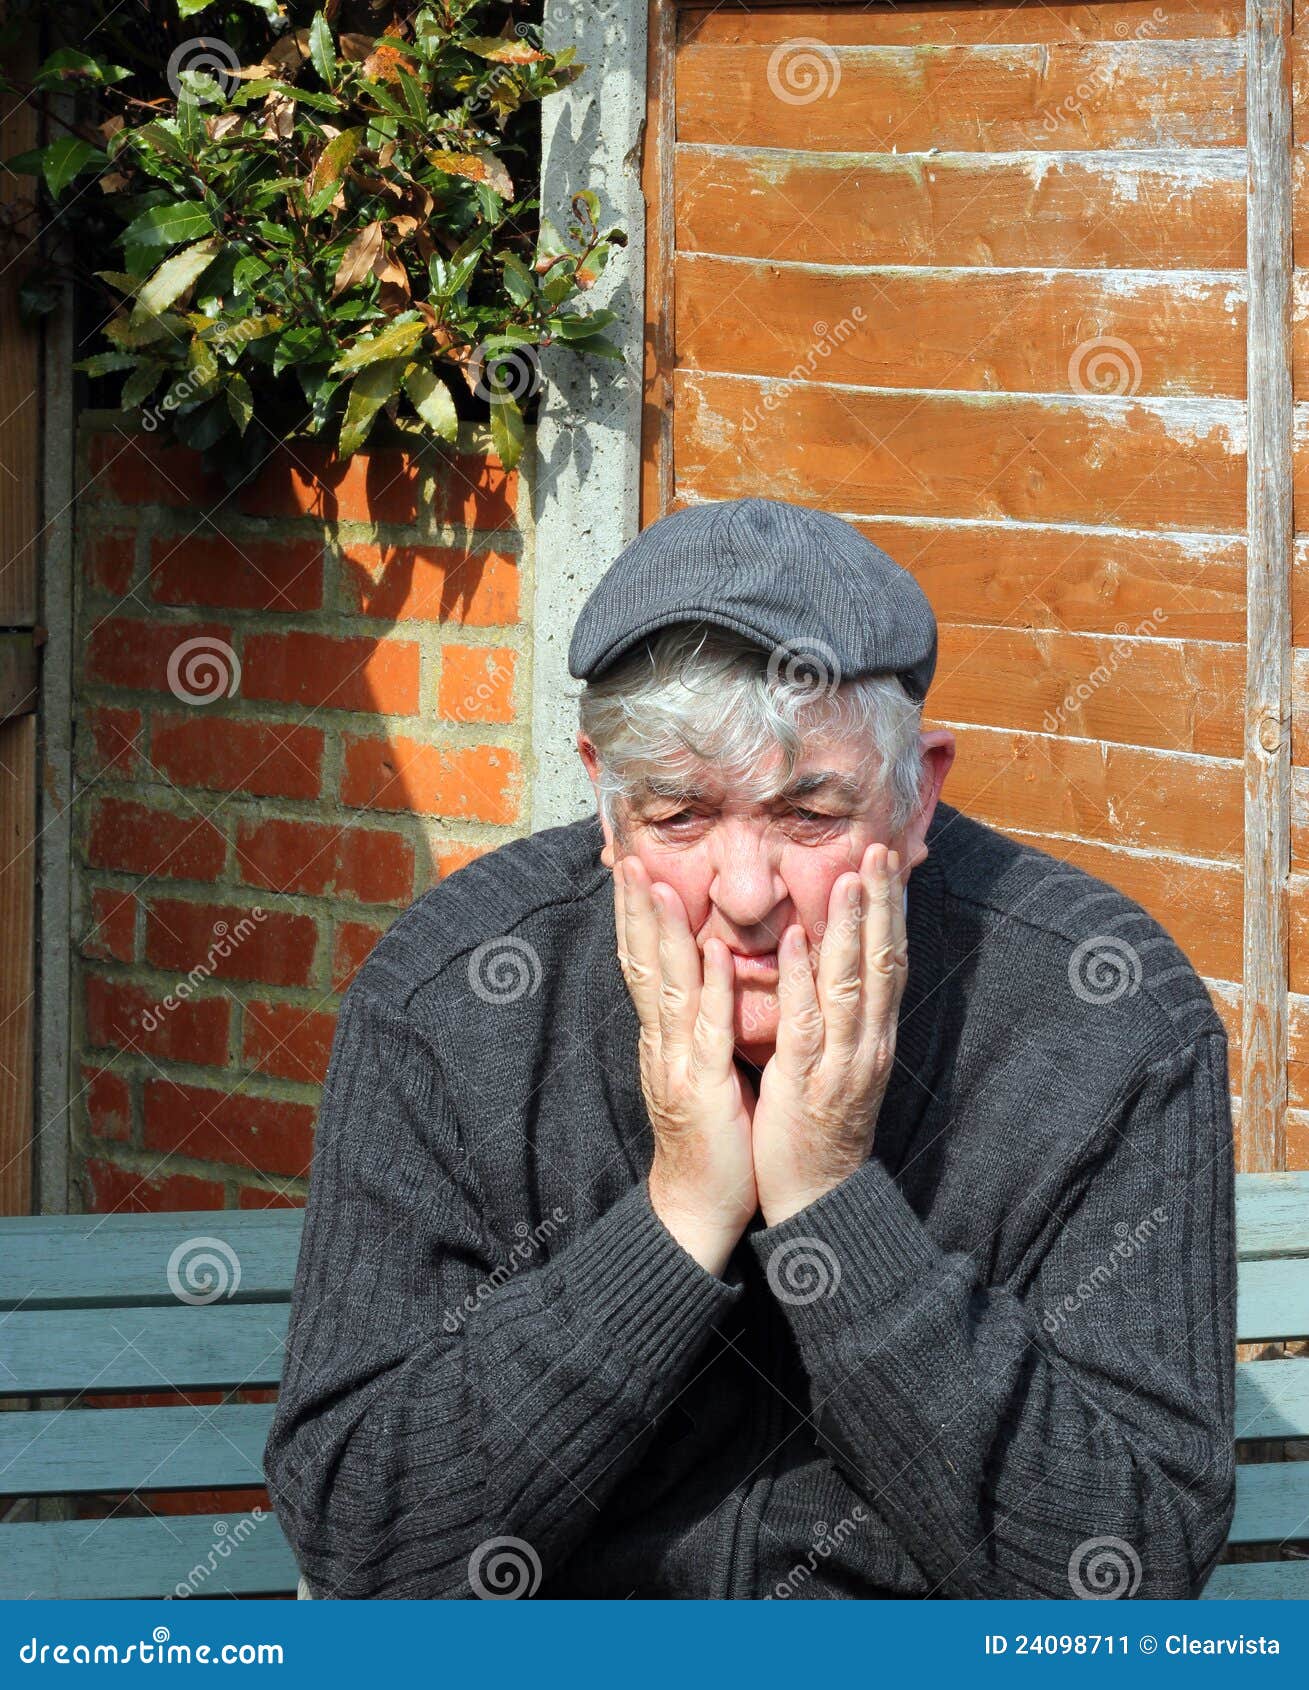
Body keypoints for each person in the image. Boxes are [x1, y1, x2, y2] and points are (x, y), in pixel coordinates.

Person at [264, 496, 1236, 1600]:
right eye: (677, 816)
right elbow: (365, 1542)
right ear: (603, 795)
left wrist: (831, 1205)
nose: (743, 895)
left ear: (920, 793)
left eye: (809, 817)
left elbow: (1128, 1574)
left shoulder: (1106, 1013)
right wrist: (676, 1220)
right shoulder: (453, 996)